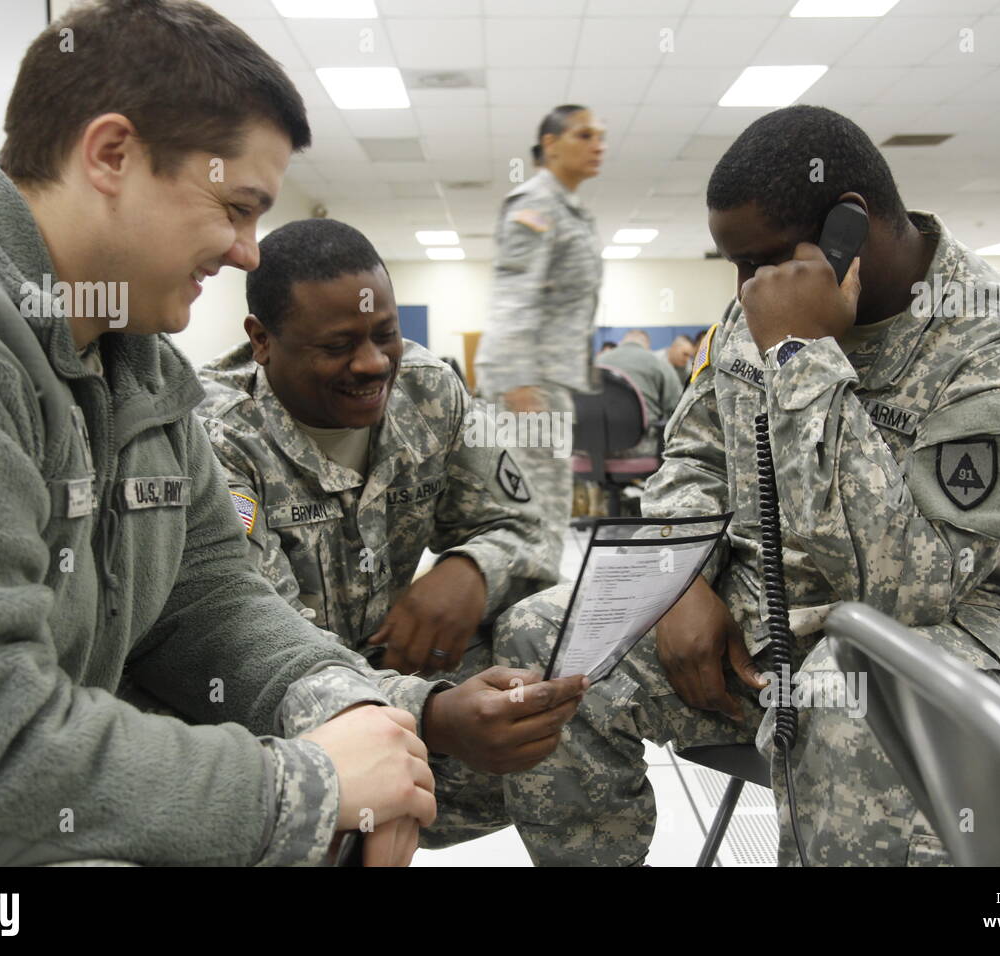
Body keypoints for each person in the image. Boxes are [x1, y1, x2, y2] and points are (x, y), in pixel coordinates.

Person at [0, 0, 579, 867]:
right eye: (237, 208)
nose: (249, 252)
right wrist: (312, 790)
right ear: (112, 155)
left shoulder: (132, 362)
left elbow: (207, 599)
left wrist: (359, 721)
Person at [491, 105, 1000, 866]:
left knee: (840, 700)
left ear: (848, 226)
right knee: (543, 641)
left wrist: (801, 354)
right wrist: (676, 581)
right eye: (735, 265)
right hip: (770, 609)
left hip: (960, 632)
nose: (747, 288)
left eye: (760, 259)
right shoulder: (758, 302)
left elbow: (905, 588)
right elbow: (692, 458)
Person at [198, 217, 584, 849]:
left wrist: (471, 571)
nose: (374, 363)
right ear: (262, 341)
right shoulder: (215, 438)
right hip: (274, 715)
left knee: (558, 661)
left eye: (386, 335)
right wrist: (431, 714)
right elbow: (251, 651)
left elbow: (530, 526)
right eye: (339, 345)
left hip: (400, 681)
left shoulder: (428, 391)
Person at [474, 104, 606, 561]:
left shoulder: (569, 210)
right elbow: (514, 295)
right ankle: (529, 613)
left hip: (546, 379)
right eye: (585, 135)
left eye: (600, 136)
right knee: (534, 508)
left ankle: (534, 607)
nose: (598, 145)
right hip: (528, 381)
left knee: (546, 504)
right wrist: (517, 382)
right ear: (550, 144)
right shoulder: (536, 203)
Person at [596, 328, 682, 457]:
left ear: (621, 343)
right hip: (641, 448)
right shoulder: (659, 364)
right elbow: (678, 408)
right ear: (646, 345)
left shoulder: (597, 363)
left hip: (597, 446)